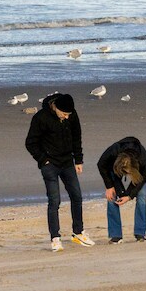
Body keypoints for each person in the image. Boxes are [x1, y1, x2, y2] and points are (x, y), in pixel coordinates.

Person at [25, 93, 95, 251]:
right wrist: (43, 160)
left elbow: (77, 136)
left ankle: (78, 233)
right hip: (49, 165)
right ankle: (55, 238)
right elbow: (30, 142)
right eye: (64, 114)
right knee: (54, 201)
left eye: (69, 114)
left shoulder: (72, 114)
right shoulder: (41, 118)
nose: (67, 117)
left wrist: (78, 159)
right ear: (55, 107)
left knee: (77, 196)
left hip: (68, 162)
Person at [96, 136, 146, 244]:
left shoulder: (142, 158)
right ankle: (116, 235)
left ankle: (140, 233)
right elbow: (101, 164)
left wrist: (129, 196)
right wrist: (109, 186)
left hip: (138, 171)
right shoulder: (113, 151)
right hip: (113, 169)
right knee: (111, 196)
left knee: (141, 196)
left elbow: (142, 179)